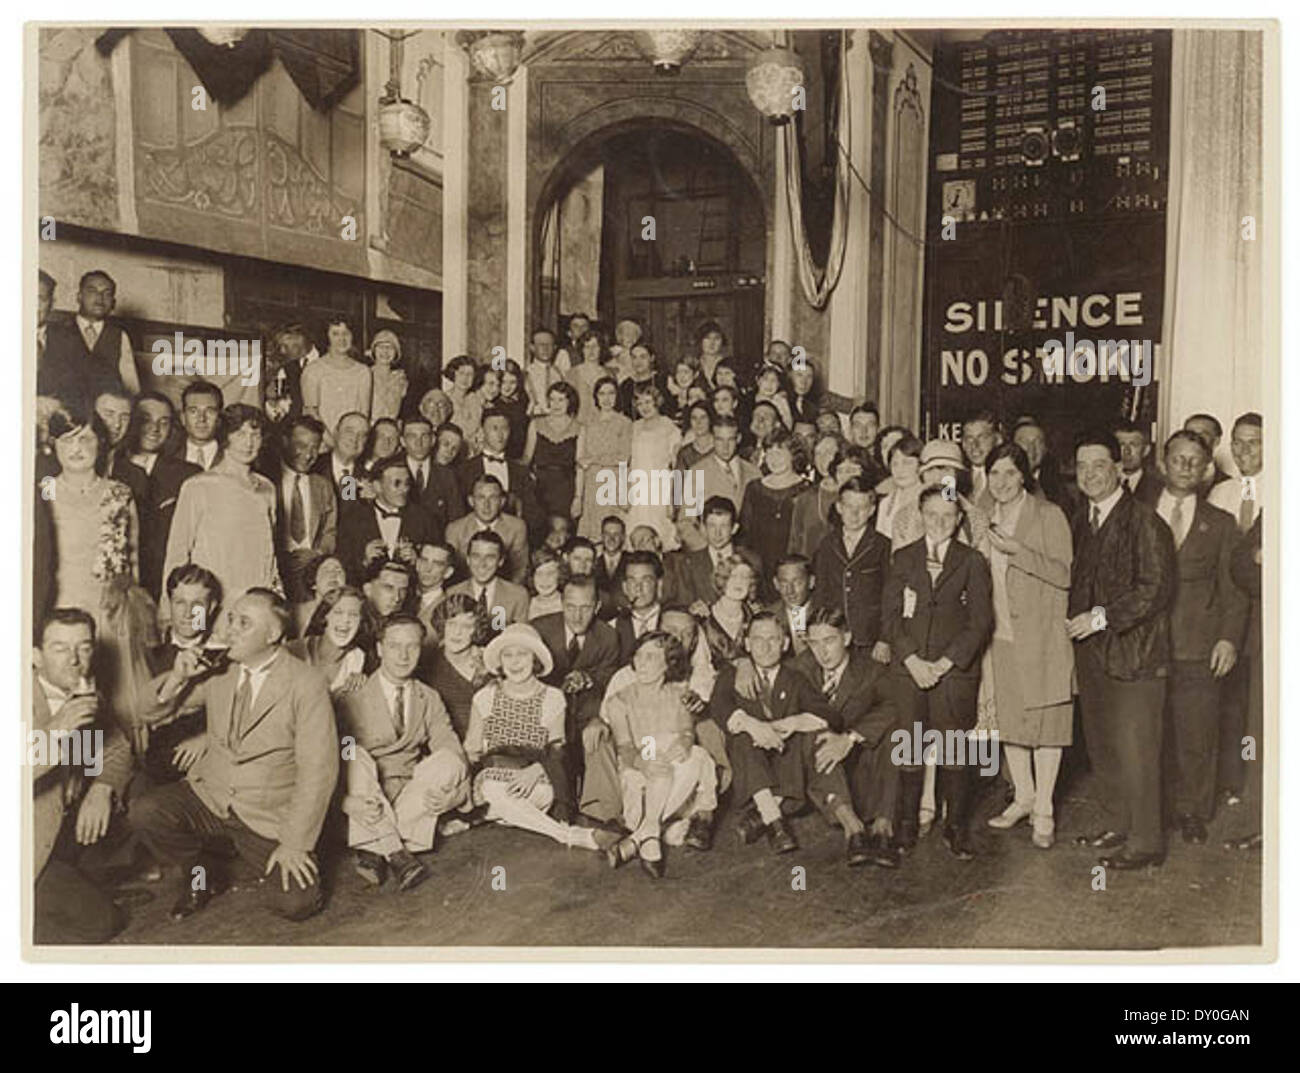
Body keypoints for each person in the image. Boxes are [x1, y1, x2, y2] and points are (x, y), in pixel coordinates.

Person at [133, 589, 339, 921]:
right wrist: (177, 677)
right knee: (146, 811)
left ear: (273, 634)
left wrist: (295, 844)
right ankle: (199, 870)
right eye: (231, 619)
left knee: (297, 903)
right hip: (210, 796)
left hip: (266, 815)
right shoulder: (220, 668)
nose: (230, 630)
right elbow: (149, 714)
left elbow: (319, 771)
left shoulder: (306, 683)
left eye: (244, 623)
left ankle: (231, 862)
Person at [1068, 428, 1176, 870]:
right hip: (1094, 658)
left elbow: (1155, 589)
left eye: (1099, 465)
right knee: (1104, 747)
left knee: (1138, 751)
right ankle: (1118, 823)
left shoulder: (1145, 521)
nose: (1090, 474)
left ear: (1118, 469)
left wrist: (1099, 617)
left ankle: (1146, 842)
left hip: (1136, 658)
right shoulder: (1082, 519)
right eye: (1082, 466)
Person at [883, 486, 994, 859]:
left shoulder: (972, 561)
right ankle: (907, 825)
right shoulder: (902, 558)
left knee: (954, 752)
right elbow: (890, 617)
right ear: (920, 515)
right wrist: (912, 661)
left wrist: (945, 664)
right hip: (909, 670)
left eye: (948, 516)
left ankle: (956, 828)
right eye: (932, 515)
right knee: (911, 750)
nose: (940, 522)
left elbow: (980, 622)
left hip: (952, 674)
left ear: (960, 519)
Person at [977, 443, 1074, 849]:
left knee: (1047, 726)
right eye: (993, 474)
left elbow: (1064, 573)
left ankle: (1045, 808)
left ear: (1024, 476)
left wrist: (1019, 552)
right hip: (998, 635)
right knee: (1011, 724)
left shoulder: (1048, 514)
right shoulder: (984, 516)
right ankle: (1024, 797)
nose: (1000, 482)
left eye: (1009, 474)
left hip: (1041, 637)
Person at [713, 613, 869, 860]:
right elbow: (719, 707)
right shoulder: (731, 675)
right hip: (750, 772)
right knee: (742, 737)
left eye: (773, 639)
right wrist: (753, 725)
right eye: (758, 639)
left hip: (788, 768)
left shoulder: (794, 678)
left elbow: (829, 715)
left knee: (818, 736)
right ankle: (774, 822)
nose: (765, 647)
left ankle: (852, 826)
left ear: (785, 644)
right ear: (747, 644)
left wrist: (790, 723)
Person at [1155, 430, 1247, 844]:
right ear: (1163, 462)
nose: (1187, 467)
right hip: (1145, 645)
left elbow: (1234, 589)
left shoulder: (1222, 523)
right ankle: (1149, 811)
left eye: (1196, 460)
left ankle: (1192, 811)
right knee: (1149, 734)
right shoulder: (1137, 513)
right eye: (1179, 458)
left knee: (1196, 734)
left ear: (1207, 469)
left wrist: (1228, 639)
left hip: (1198, 645)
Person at [337, 615, 471, 892]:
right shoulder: (351, 696)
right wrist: (345, 801)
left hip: (410, 794)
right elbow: (328, 760)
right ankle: (398, 854)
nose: (403, 655)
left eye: (412, 646)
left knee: (449, 761)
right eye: (395, 646)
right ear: (379, 648)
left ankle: (375, 848)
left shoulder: (428, 697)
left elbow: (450, 747)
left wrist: (456, 795)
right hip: (367, 794)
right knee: (353, 755)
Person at [47, 408, 156, 733]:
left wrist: (129, 611)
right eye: (66, 440)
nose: (76, 448)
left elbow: (132, 559)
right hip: (59, 606)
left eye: (85, 438)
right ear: (54, 446)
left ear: (101, 444)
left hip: (109, 610)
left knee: (115, 700)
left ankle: (114, 775)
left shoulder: (119, 493)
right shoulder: (44, 490)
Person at [464, 624, 619, 852]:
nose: (515, 662)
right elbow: (472, 749)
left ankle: (496, 814)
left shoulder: (553, 697)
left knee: (535, 796)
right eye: (508, 655)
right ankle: (570, 835)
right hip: (494, 779)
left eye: (522, 654)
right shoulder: (484, 697)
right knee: (493, 790)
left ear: (535, 659)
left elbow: (558, 749)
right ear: (500, 661)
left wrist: (535, 771)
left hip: (538, 779)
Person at [32, 608, 136, 943]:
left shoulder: (85, 694)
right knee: (99, 924)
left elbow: (118, 750)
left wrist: (102, 788)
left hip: (59, 826)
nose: (75, 660)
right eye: (60, 648)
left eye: (85, 647)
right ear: (36, 656)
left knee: (140, 793)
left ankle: (78, 882)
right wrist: (55, 732)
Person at [603, 632, 719, 877]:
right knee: (655, 748)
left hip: (673, 778)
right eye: (638, 656)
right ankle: (651, 830)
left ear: (669, 663)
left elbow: (687, 731)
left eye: (651, 657)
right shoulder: (619, 702)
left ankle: (644, 835)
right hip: (639, 772)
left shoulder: (679, 694)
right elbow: (625, 747)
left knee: (697, 755)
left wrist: (686, 742)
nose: (642, 663)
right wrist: (644, 762)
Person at [795, 606, 903, 867]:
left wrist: (850, 738)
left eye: (830, 641)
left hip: (862, 766)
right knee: (815, 730)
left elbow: (895, 706)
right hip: (825, 773)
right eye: (815, 643)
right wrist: (742, 664)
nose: (822, 652)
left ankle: (883, 827)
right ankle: (852, 828)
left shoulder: (870, 669)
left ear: (846, 638)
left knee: (896, 733)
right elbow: (764, 665)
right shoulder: (801, 667)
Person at [165, 404, 283, 612]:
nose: (248, 443)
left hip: (256, 604)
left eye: (255, 435)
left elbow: (270, 553)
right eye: (239, 434)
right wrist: (169, 611)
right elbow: (177, 552)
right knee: (200, 642)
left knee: (253, 643)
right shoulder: (198, 486)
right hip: (208, 605)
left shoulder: (267, 488)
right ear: (225, 437)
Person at [1208, 412, 1263, 811]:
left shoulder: (1283, 489)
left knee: (1257, 704)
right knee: (1229, 700)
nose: (1244, 450)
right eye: (1238, 443)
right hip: (1228, 610)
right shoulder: (1220, 493)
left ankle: (1253, 780)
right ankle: (1231, 778)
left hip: (1262, 614)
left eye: (1254, 442)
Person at [139, 564, 223, 786]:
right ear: (169, 604)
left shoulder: (225, 655)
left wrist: (208, 739)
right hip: (156, 766)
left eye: (197, 605)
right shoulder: (147, 652)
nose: (187, 614)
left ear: (212, 607)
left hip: (212, 766)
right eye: (180, 603)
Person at [125, 391, 201, 599]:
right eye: (145, 420)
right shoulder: (112, 468)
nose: (155, 429)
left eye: (164, 422)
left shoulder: (189, 474)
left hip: (170, 588)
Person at [811, 474, 892, 658]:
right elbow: (821, 593)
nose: (855, 514)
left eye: (862, 507)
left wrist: (885, 638)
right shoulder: (827, 544)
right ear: (839, 507)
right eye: (849, 507)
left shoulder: (883, 545)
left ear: (872, 510)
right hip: (835, 637)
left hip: (869, 639)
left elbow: (890, 598)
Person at [38, 269, 139, 412]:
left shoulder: (119, 336)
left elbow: (132, 389)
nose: (100, 298)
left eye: (107, 293)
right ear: (79, 297)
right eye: (92, 291)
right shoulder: (56, 331)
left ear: (113, 303)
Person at [336, 454, 432, 583]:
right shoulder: (352, 520)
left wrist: (418, 562)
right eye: (397, 483)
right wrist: (364, 561)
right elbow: (342, 571)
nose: (404, 489)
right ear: (377, 486)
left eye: (407, 483)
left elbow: (435, 569)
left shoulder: (424, 519)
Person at [275, 415, 338, 603]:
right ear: (285, 442)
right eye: (301, 446)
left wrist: (317, 555)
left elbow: (330, 531)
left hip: (310, 571)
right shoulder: (266, 481)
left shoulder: (323, 485)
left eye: (315, 448)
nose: (309, 455)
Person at [738, 428, 808, 595]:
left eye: (780, 453)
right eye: (769, 453)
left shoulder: (806, 490)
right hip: (760, 571)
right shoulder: (754, 488)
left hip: (793, 573)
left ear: (793, 455)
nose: (774, 459)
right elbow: (743, 535)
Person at [460, 407, 543, 541]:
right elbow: (459, 513)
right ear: (482, 432)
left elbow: (534, 514)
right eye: (494, 428)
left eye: (504, 428)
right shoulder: (464, 469)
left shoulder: (521, 471)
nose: (500, 435)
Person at [623, 382, 682, 551]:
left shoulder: (669, 427)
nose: (644, 407)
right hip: (638, 489)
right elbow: (627, 462)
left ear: (657, 402)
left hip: (660, 488)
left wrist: (673, 499)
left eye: (648, 402)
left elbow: (677, 466)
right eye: (639, 403)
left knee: (660, 532)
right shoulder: (634, 428)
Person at [289, 585, 375, 697]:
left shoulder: (356, 658)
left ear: (360, 623)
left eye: (353, 615)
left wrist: (360, 686)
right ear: (324, 616)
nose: (345, 620)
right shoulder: (292, 651)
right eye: (338, 612)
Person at [425, 593, 491, 739]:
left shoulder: (490, 661)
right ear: (442, 624)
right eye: (452, 624)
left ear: (477, 629)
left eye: (467, 626)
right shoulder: (428, 666)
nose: (457, 632)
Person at [445, 475, 530, 585]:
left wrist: (505, 595)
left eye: (493, 498)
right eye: (481, 498)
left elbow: (520, 570)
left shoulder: (516, 527)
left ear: (502, 501)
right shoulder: (455, 529)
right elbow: (452, 574)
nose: (486, 505)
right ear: (471, 501)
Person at [300, 315, 372, 437]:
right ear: (327, 337)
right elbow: (311, 413)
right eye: (335, 334)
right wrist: (331, 442)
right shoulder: (313, 370)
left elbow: (363, 414)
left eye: (346, 333)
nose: (342, 339)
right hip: (322, 442)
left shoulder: (363, 372)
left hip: (352, 442)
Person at [445, 529, 530, 631]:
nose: (482, 564)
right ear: (468, 559)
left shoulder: (518, 596)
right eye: (476, 556)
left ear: (500, 561)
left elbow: (521, 638)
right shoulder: (452, 594)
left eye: (490, 557)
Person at [666, 495, 739, 612]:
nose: (717, 533)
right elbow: (684, 605)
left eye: (724, 526)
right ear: (702, 527)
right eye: (711, 526)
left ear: (734, 528)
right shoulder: (689, 563)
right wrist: (693, 609)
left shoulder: (751, 560)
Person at [524, 380, 581, 526]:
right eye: (552, 399)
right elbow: (526, 458)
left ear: (570, 402)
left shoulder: (580, 428)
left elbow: (580, 466)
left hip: (566, 488)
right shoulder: (536, 424)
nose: (556, 404)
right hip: (540, 487)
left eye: (561, 399)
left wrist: (578, 498)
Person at [401, 415, 459, 539]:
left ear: (433, 440)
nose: (419, 443)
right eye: (412, 436)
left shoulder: (447, 475)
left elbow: (456, 521)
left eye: (424, 436)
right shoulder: (389, 470)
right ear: (402, 441)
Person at [788, 432, 844, 559]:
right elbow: (795, 544)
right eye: (818, 453)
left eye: (829, 452)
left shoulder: (854, 494)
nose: (823, 458)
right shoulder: (805, 497)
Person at [698, 553, 759, 669]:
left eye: (745, 577)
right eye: (733, 576)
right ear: (722, 580)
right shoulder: (703, 617)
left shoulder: (754, 617)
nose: (739, 582)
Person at [609, 550, 666, 661]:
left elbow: (702, 669)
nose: (638, 588)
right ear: (625, 587)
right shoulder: (612, 628)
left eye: (646, 580)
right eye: (632, 581)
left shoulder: (676, 622)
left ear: (659, 584)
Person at [875, 432, 923, 541]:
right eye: (895, 464)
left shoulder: (930, 498)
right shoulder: (885, 503)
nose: (900, 470)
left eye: (907, 463)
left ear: (920, 465)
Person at [312, 411, 370, 500]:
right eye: (349, 431)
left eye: (362, 435)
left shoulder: (368, 478)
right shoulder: (312, 466)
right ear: (336, 432)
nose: (354, 439)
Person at [566, 327, 615, 425]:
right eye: (587, 347)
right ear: (581, 349)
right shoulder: (571, 374)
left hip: (603, 425)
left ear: (601, 349)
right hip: (578, 425)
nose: (591, 351)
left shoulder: (610, 374)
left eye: (595, 346)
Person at [769, 555, 816, 657]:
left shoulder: (824, 613)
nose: (790, 591)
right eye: (784, 583)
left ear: (811, 582)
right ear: (776, 584)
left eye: (798, 583)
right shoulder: (768, 616)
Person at [173, 380, 223, 472]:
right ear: (183, 418)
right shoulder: (170, 457)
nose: (202, 419)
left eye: (210, 411)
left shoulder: (234, 456)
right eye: (193, 411)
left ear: (219, 418)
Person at [1114, 418, 1164, 505]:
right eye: (1121, 445)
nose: (1127, 451)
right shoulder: (1105, 482)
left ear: (1146, 450)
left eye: (1133, 445)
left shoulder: (1158, 487)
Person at [960, 410, 1001, 509]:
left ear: (998, 440)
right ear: (963, 444)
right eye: (969, 438)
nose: (975, 445)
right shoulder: (954, 477)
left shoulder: (1009, 477)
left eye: (982, 438)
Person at [366, 329, 409, 422]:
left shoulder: (400, 379)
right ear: (374, 350)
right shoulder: (365, 374)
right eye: (381, 347)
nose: (385, 351)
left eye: (390, 347)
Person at [524, 328, 568, 416]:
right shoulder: (525, 374)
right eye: (541, 344)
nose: (545, 348)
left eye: (550, 344)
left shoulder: (561, 374)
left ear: (555, 347)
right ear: (532, 347)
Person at [1184, 413, 1232, 493]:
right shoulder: (1162, 479)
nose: (1195, 439)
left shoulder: (1230, 486)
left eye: (1202, 435)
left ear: (1216, 441)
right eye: (1190, 434)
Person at [444, 355, 484, 450]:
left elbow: (479, 431)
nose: (465, 378)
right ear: (453, 374)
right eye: (461, 373)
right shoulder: (445, 398)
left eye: (470, 374)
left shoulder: (476, 400)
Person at [413, 541, 455, 632]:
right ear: (417, 564)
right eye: (424, 561)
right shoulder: (401, 597)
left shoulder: (449, 610)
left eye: (437, 564)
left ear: (448, 572)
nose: (428, 569)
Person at [495, 360, 530, 458]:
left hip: (519, 455)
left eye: (512, 382)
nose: (507, 387)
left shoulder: (522, 402)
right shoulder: (492, 404)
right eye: (503, 382)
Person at [527, 546, 566, 620]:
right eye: (539, 574)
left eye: (550, 573)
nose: (544, 579)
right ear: (532, 576)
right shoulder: (527, 604)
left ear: (560, 574)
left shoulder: (566, 603)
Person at [694, 320, 727, 389]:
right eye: (707, 338)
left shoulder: (729, 365)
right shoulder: (694, 364)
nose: (712, 343)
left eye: (717, 338)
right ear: (700, 341)